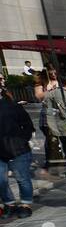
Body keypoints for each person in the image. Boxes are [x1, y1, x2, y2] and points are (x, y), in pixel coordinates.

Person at [0, 88, 36, 218]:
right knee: (0, 180)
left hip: (18, 148)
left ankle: (25, 204)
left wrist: (21, 140)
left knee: (22, 178)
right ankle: (9, 203)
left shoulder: (13, 106)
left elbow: (28, 127)